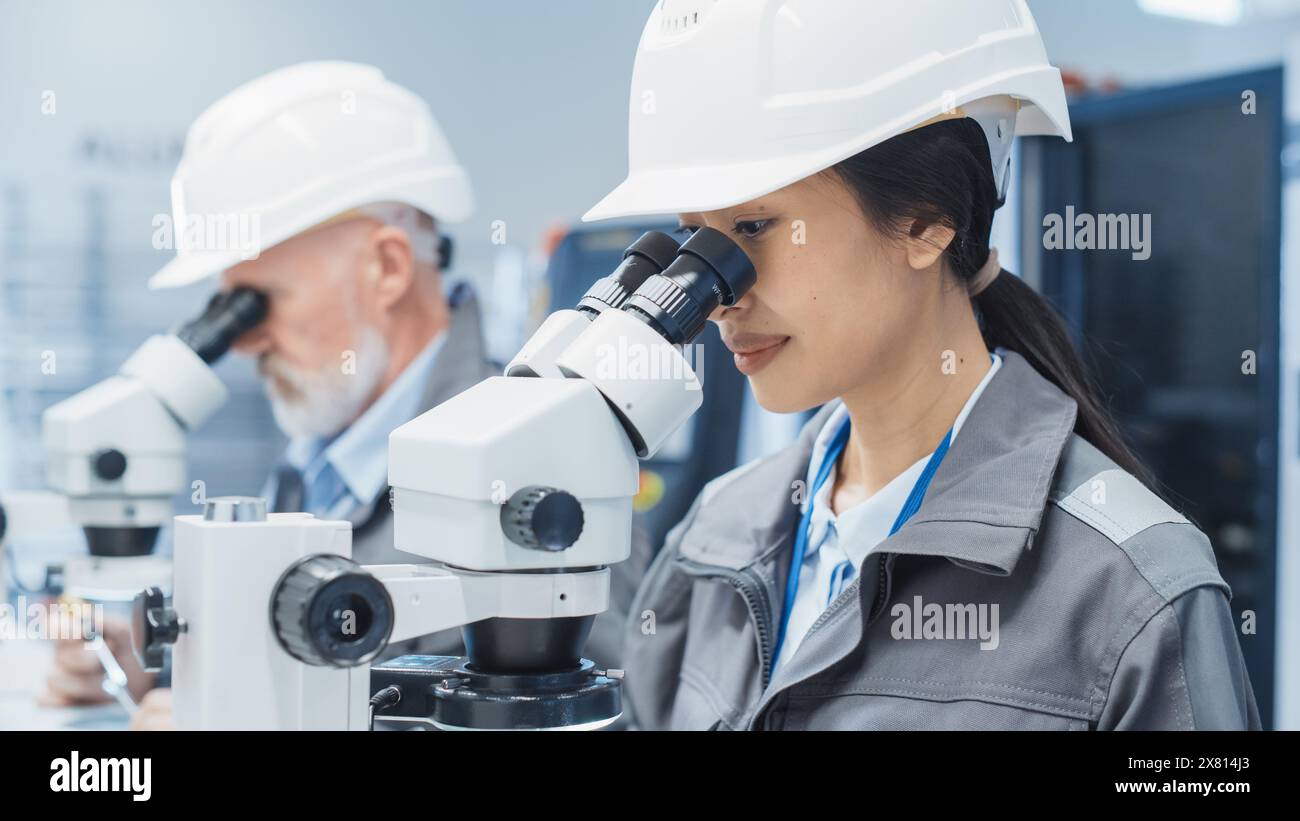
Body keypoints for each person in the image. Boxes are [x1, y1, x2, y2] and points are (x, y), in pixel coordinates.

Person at [584, 0, 1261, 730]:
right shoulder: (718, 535)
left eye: (752, 227)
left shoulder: (1133, 593)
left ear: (926, 217)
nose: (718, 296)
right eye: (694, 236)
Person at [43, 62, 632, 729]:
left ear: (387, 266)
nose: (241, 342)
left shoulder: (546, 464)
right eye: (229, 308)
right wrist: (153, 664)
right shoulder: (311, 462)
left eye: (257, 302)